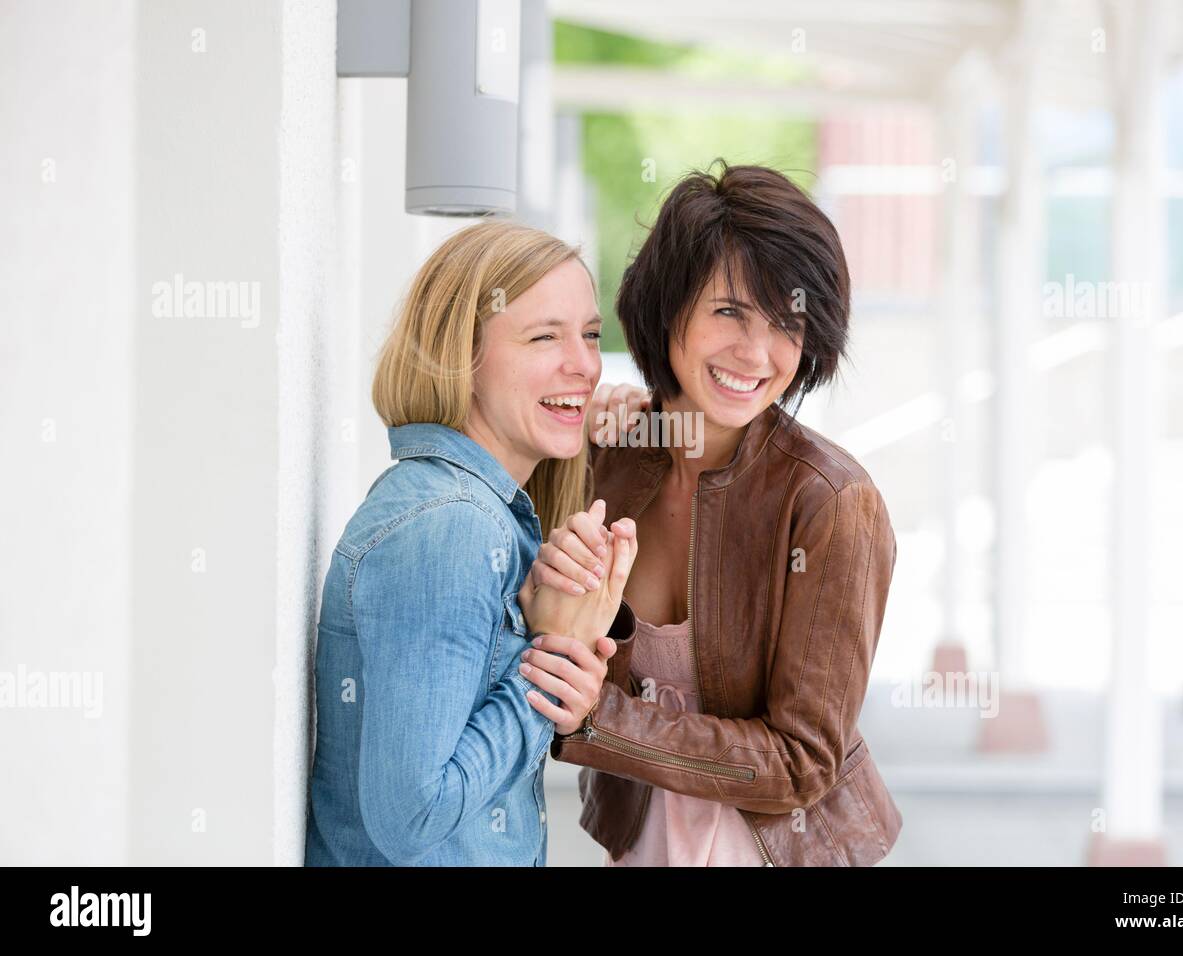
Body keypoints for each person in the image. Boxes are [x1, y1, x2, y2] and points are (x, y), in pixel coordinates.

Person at [523, 162, 903, 866]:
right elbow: (533, 629)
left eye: (786, 321)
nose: (755, 353)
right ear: (670, 310)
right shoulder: (612, 459)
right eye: (729, 311)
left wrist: (600, 719)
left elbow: (801, 763)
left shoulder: (831, 503)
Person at [304, 219, 634, 867]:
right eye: (545, 336)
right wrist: (553, 663)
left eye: (591, 335)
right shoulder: (450, 527)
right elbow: (413, 816)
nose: (586, 364)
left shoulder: (483, 514)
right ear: (462, 354)